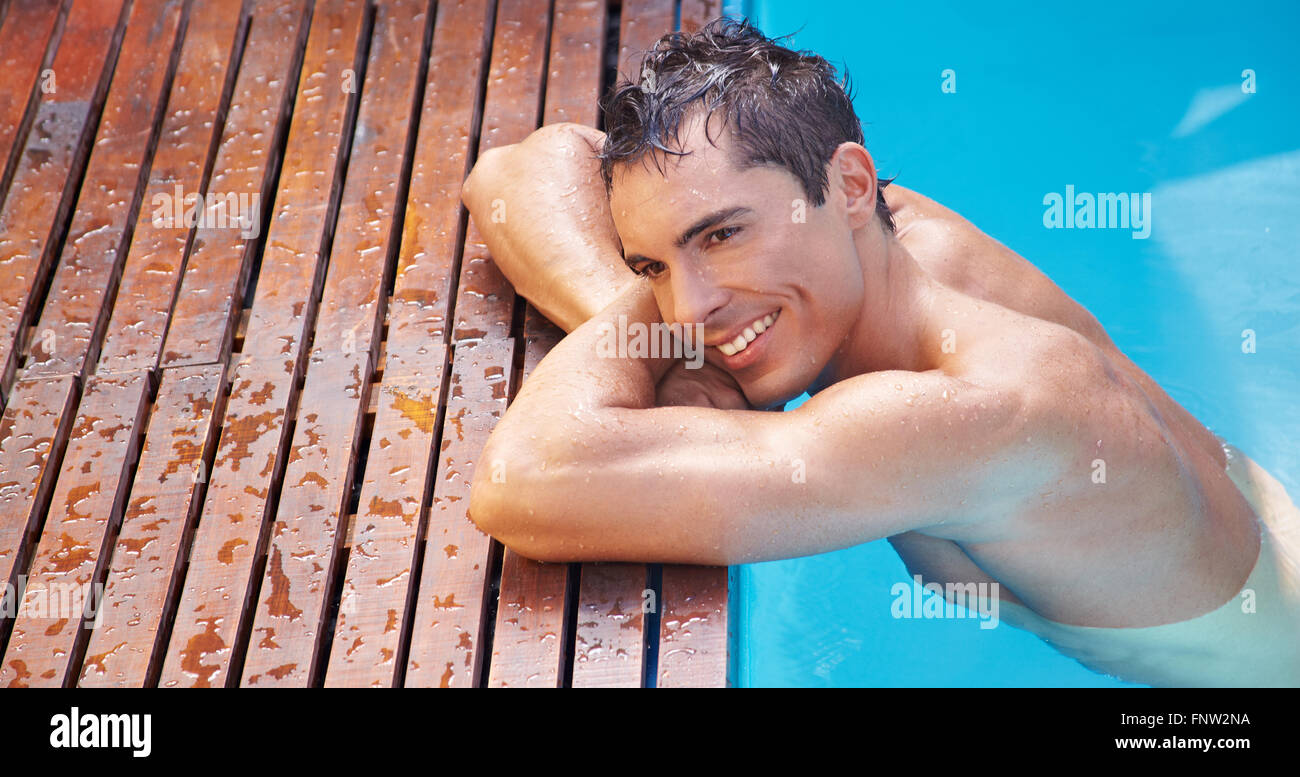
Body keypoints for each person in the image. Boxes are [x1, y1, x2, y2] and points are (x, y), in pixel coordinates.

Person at [458, 18, 1300, 687]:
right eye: (656, 265)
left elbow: (518, 479)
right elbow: (518, 170)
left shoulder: (969, 411)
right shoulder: (878, 232)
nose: (690, 304)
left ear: (852, 186)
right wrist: (655, 314)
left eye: (722, 234)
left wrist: (666, 333)